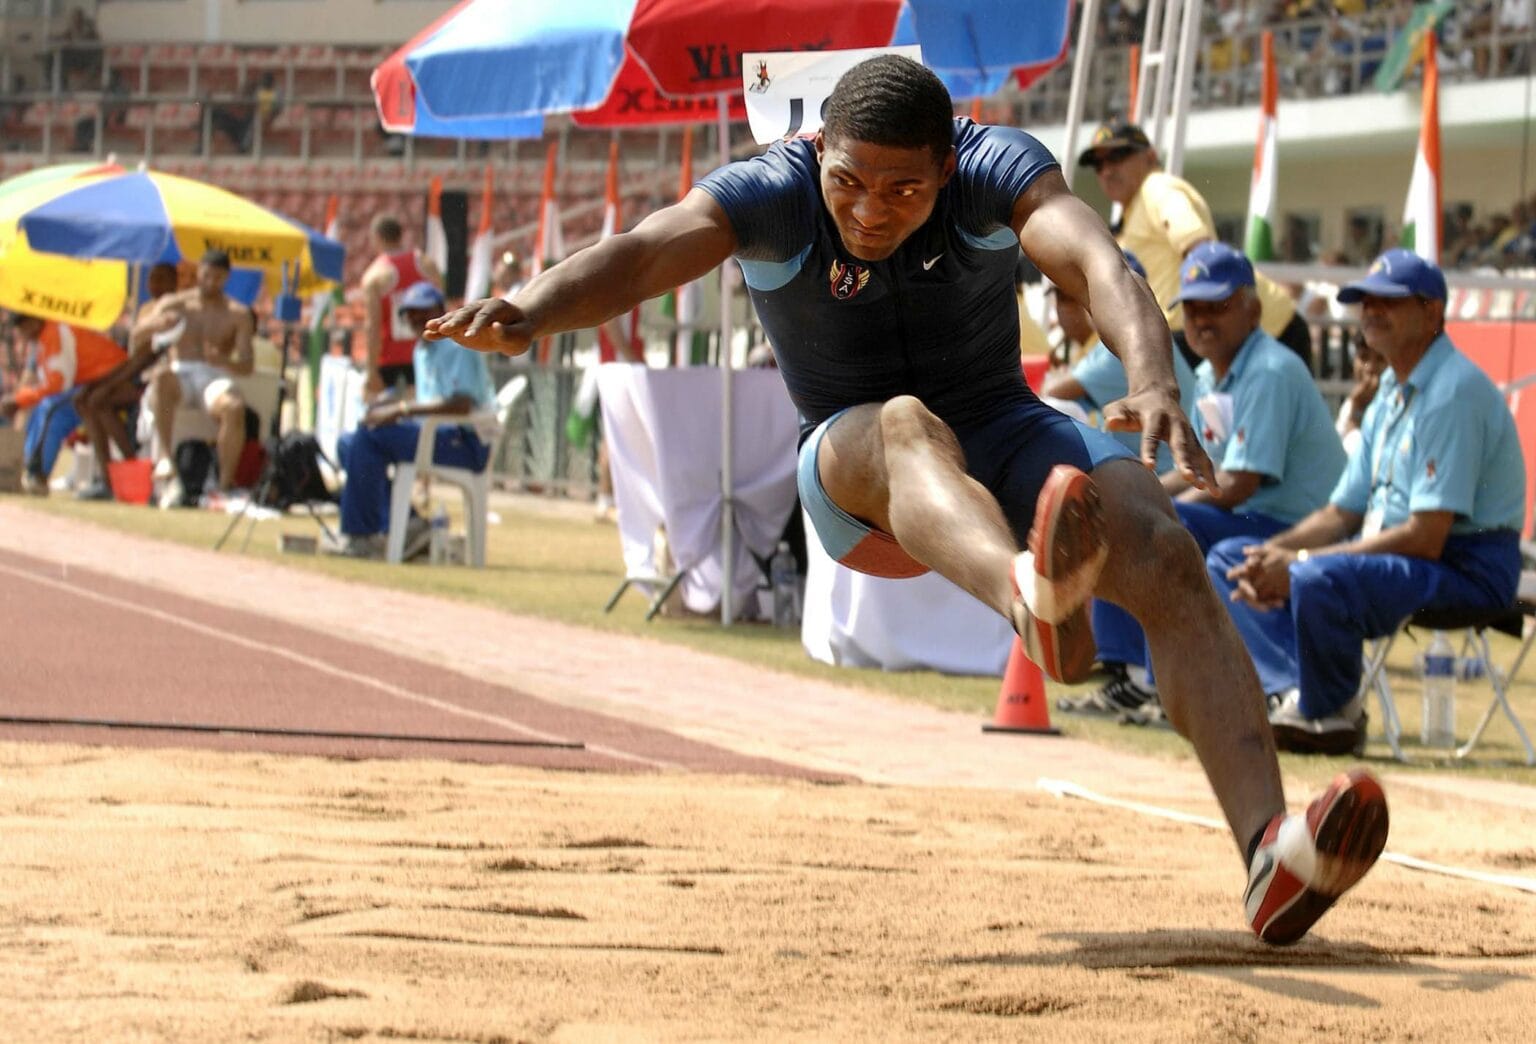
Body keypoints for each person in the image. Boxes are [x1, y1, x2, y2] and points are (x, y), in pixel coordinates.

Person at [429, 56, 1388, 945]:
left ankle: (1269, 854)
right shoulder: (769, 190)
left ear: (947, 162)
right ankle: (1030, 598)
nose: (870, 211)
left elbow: (1099, 261)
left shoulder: (994, 169)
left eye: (902, 190)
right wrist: (534, 307)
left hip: (1003, 430)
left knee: (1165, 549)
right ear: (817, 155)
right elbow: (643, 253)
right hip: (858, 471)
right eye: (848, 182)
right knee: (902, 421)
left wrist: (1153, 377)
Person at [1212, 249, 1526, 755]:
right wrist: (1274, 553)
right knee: (1230, 558)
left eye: (1390, 301)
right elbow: (1341, 512)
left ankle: (1333, 712)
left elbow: (1426, 538)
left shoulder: (1452, 392)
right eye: (1365, 300)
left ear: (1432, 313)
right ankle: (1293, 692)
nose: (1372, 311)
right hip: (1405, 558)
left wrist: (1299, 561)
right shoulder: (1390, 394)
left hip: (1467, 569)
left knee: (1311, 575)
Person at [1078, 242, 1347, 716]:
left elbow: (1240, 482)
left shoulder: (1269, 370)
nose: (1202, 319)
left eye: (1217, 306)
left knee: (1159, 524)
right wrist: (1145, 495)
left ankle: (1159, 680)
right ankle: (1135, 674)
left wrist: (1152, 500)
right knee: (1136, 514)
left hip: (1292, 527)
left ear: (1254, 310)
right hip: (1253, 516)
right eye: (1194, 307)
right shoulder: (1210, 373)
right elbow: (1200, 468)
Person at [1041, 249, 1198, 713]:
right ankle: (1124, 670)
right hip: (1167, 480)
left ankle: (1130, 671)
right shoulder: (1115, 348)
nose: (1069, 309)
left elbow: (1049, 394)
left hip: (1174, 483)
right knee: (1107, 511)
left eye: (1081, 297)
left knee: (1109, 519)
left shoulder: (1122, 350)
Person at [1078, 122, 1315, 372]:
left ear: (1150, 157)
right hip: (1220, 335)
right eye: (1098, 164)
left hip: (1264, 330)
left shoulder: (1157, 188)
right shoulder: (1131, 213)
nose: (1106, 170)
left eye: (1117, 156)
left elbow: (1200, 249)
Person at [328, 282, 496, 560]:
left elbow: (461, 404)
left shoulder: (458, 344)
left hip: (466, 440)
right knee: (350, 442)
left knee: (368, 438)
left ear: (441, 311)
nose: (417, 319)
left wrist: (401, 410)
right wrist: (388, 405)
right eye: (410, 313)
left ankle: (361, 536)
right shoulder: (422, 351)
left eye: (423, 312)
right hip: (436, 435)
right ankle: (407, 523)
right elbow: (429, 399)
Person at [138, 250, 253, 502]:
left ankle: (223, 486)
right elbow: (136, 338)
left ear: (227, 278)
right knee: (161, 378)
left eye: (218, 278)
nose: (211, 282)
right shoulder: (175, 304)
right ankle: (166, 459)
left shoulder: (237, 314)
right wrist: (154, 326)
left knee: (234, 407)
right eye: (207, 275)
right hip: (181, 371)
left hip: (214, 375)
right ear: (198, 271)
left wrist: (222, 359)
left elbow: (247, 365)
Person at [73, 262, 180, 500]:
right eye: (153, 279)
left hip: (159, 379)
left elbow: (148, 355)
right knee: (83, 400)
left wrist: (110, 385)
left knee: (98, 401)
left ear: (175, 283)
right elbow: (133, 357)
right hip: (135, 374)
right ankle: (107, 474)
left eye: (162, 278)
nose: (156, 284)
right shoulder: (146, 309)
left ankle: (129, 471)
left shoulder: (174, 312)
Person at [0, 312, 127, 495]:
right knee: (43, 408)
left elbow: (59, 384)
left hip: (112, 378)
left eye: (23, 329)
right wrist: (22, 399)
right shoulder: (45, 337)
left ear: (34, 322)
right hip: (94, 381)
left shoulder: (55, 331)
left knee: (53, 409)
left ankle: (38, 475)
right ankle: (28, 469)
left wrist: (20, 399)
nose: (22, 335)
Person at [360, 215, 443, 400]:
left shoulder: (374, 276)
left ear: (377, 237)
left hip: (390, 359)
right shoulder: (426, 265)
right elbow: (441, 308)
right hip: (426, 353)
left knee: (383, 417)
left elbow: (372, 327)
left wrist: (370, 370)